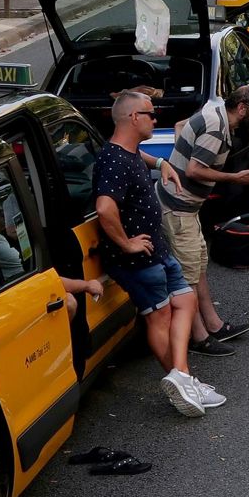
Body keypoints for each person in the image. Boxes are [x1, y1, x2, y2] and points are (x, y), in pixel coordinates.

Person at [95, 91, 224, 417]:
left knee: (185, 299)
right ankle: (184, 381)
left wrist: (163, 162)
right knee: (159, 316)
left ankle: (183, 378)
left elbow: (136, 159)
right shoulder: (111, 160)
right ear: (133, 118)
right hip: (136, 257)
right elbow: (104, 207)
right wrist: (126, 243)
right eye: (151, 114)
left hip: (158, 248)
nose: (156, 119)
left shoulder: (129, 152)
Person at [157, 87, 249, 357]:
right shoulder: (217, 128)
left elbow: (181, 125)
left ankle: (214, 324)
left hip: (187, 208)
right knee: (187, 276)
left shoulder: (214, 112)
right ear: (241, 108)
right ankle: (199, 338)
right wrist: (234, 178)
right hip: (178, 210)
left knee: (199, 266)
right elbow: (195, 169)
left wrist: (177, 159)